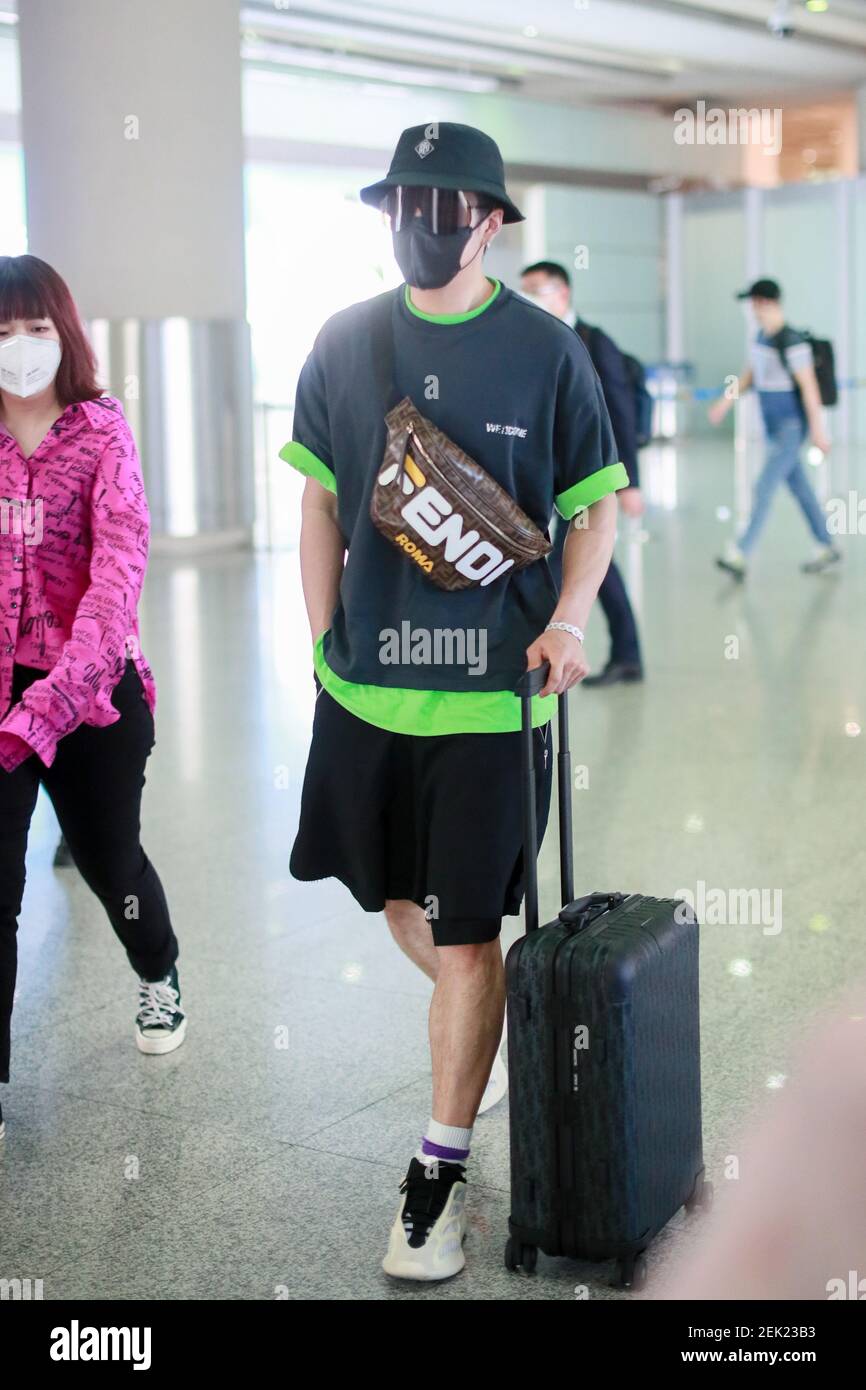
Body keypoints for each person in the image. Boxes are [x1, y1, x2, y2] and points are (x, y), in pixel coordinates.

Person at [283, 123, 626, 1281]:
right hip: (365, 696)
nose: (418, 221)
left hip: (491, 703)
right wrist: (323, 636)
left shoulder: (546, 352)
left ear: (490, 222)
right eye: (402, 200)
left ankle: (436, 1171)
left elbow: (594, 506)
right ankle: (494, 1027)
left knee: (468, 935)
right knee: (396, 904)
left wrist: (570, 615)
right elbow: (321, 501)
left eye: (444, 203)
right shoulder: (341, 342)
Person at [0, 255, 184, 1141]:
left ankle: (159, 971)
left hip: (92, 694)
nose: (20, 347)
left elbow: (116, 582)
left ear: (64, 333)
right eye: (1, 332)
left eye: (36, 329)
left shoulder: (101, 432)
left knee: (110, 863)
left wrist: (44, 713)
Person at [520, 261, 644, 686]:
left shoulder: (593, 341)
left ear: (563, 293)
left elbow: (620, 417)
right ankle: (624, 654)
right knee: (588, 566)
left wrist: (631, 483)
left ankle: (603, 652)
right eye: (525, 289)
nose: (530, 297)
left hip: (591, 479)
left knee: (580, 564)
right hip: (555, 477)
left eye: (538, 289)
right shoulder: (539, 342)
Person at [709, 278, 839, 578]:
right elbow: (750, 376)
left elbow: (809, 388)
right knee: (801, 488)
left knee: (764, 485)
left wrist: (819, 431)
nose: (752, 310)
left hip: (791, 427)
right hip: (772, 426)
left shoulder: (792, 342)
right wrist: (724, 403)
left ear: (765, 303)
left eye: (754, 303)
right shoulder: (762, 338)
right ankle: (826, 544)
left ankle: (740, 553)